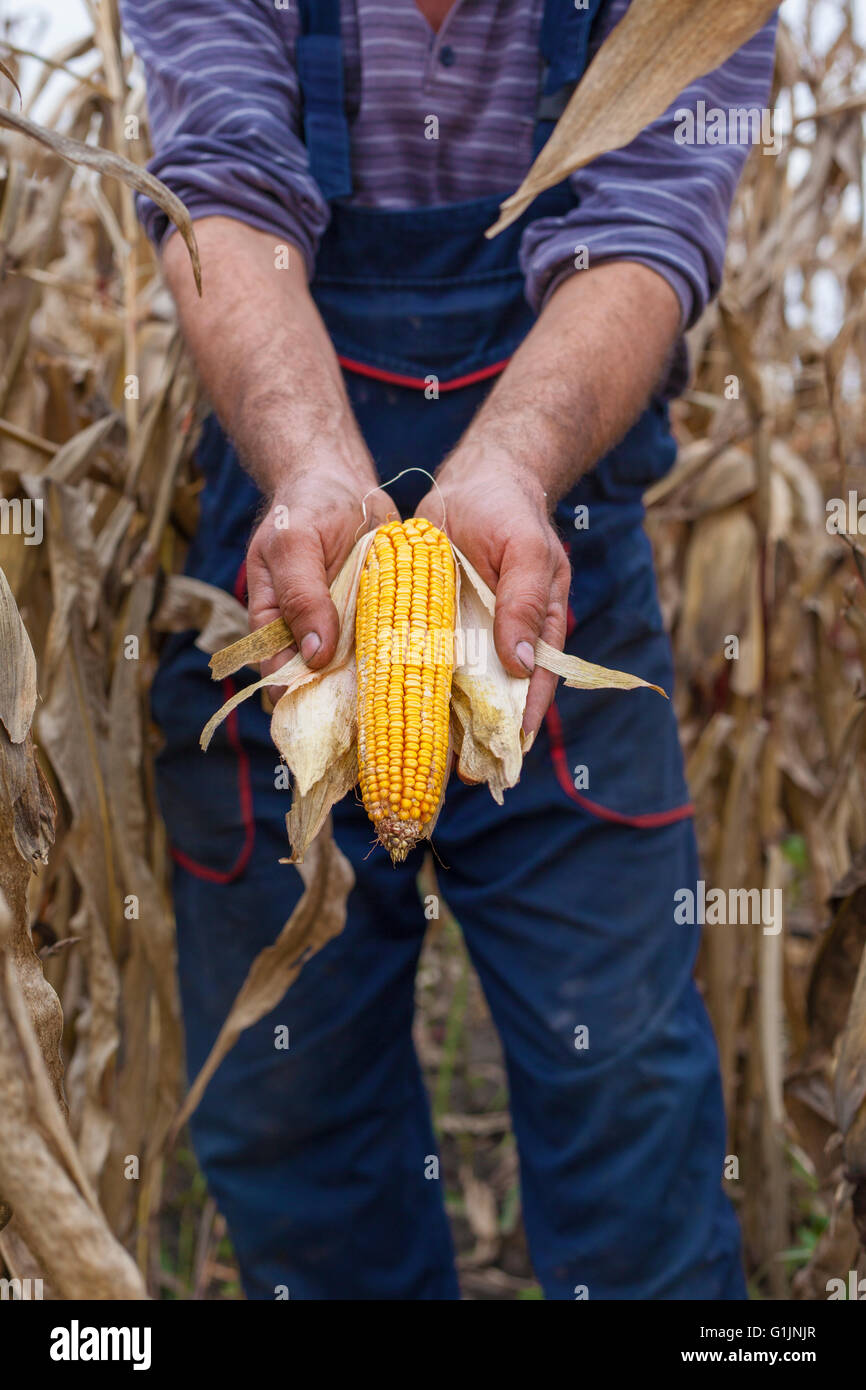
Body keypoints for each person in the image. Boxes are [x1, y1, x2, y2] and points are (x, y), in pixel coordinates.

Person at [122, 0, 778, 1299]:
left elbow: (642, 238)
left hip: (549, 579)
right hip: (286, 579)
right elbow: (224, 204)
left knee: (628, 1091)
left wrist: (513, 462)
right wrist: (313, 465)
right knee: (287, 1101)